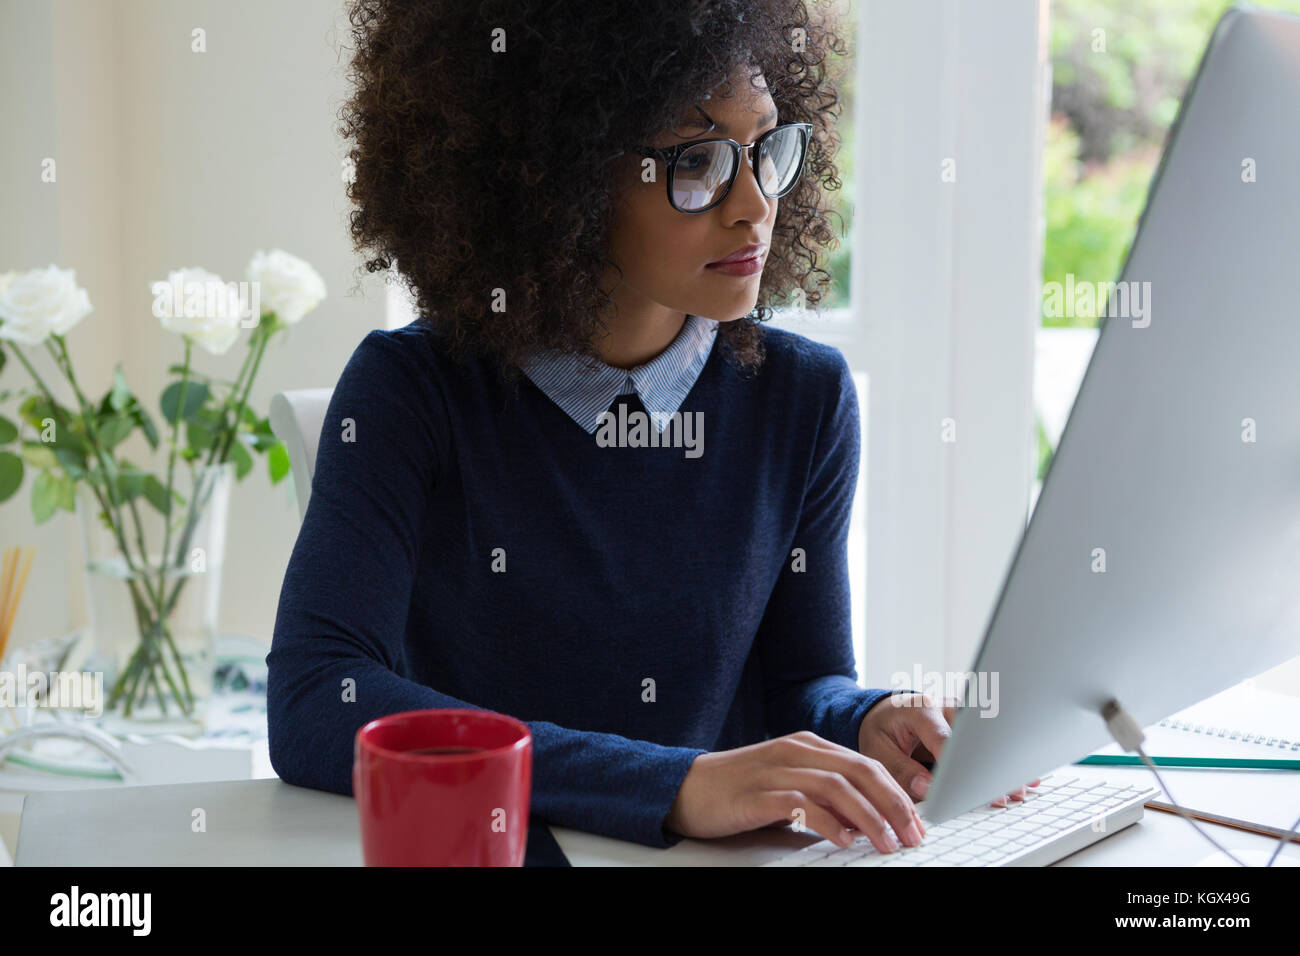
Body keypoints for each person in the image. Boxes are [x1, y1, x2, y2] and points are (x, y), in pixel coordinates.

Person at [267, 0, 1034, 856]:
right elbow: (316, 696)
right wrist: (672, 784)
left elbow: (798, 680)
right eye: (697, 161)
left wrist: (866, 723)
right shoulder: (411, 392)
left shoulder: (803, 399)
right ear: (556, 174)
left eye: (766, 150)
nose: (753, 206)